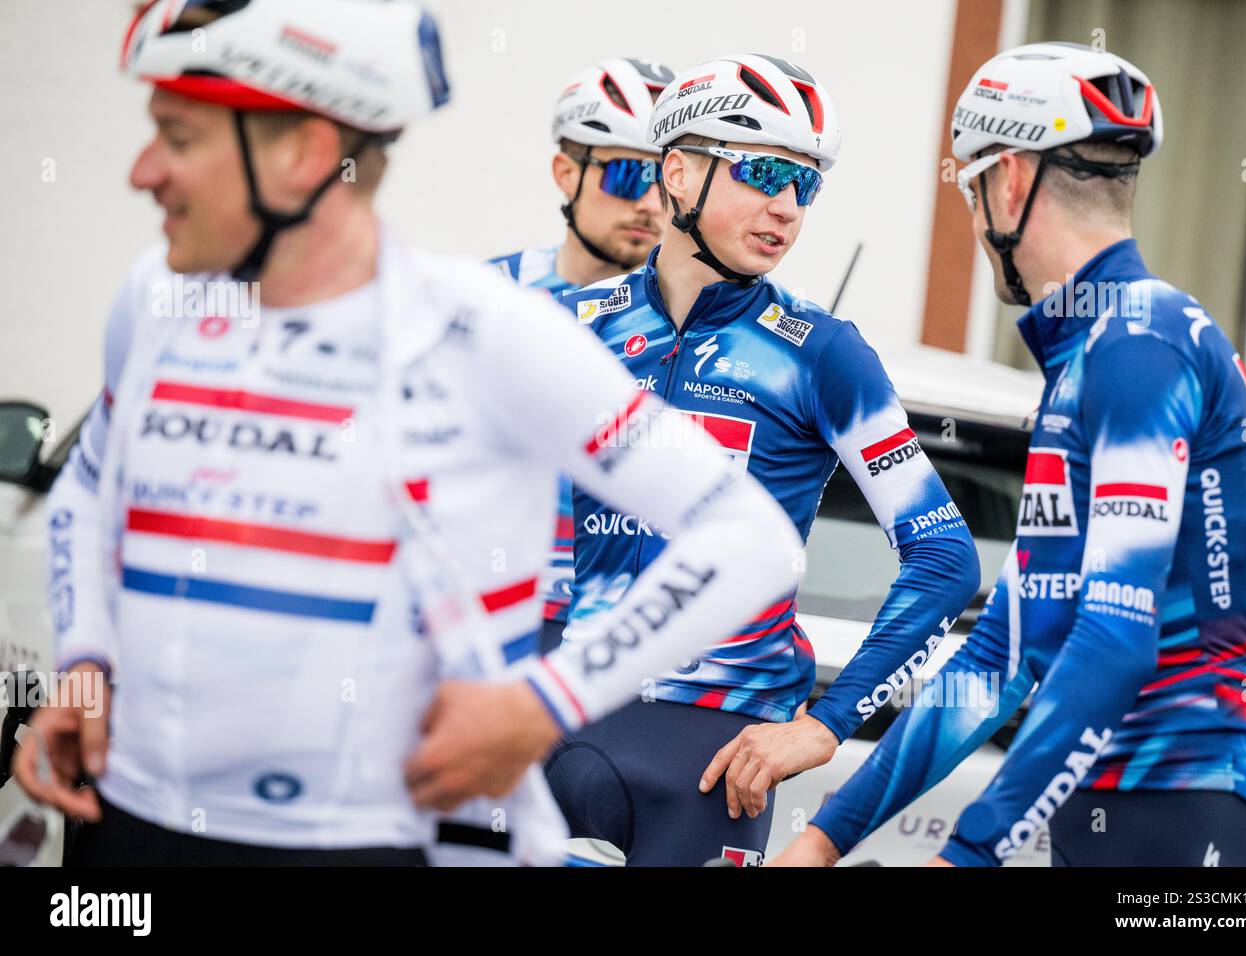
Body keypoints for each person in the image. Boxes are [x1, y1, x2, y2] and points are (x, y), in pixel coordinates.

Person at [13, 0, 802, 867]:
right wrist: (85, 654)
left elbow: (749, 540)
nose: (142, 171)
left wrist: (546, 702)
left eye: (179, 136)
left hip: (363, 845)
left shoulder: (487, 331)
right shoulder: (154, 299)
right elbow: (88, 490)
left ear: (307, 156)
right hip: (132, 823)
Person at [771, 41, 1246, 868]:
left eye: (974, 187)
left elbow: (1115, 640)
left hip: (1191, 799)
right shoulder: (1097, 356)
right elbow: (1005, 649)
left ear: (1009, 181)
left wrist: (970, 852)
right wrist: (824, 836)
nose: (979, 225)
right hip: (1133, 806)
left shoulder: (1137, 348)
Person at [544, 54, 981, 866]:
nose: (785, 207)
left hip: (711, 764)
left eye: (804, 185)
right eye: (764, 172)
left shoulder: (822, 354)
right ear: (677, 173)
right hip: (556, 735)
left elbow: (946, 559)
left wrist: (824, 724)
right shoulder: (565, 327)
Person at [488, 57, 674, 651]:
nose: (649, 204)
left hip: (626, 632)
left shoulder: (705, 322)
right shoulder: (487, 297)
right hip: (498, 609)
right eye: (625, 176)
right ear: (565, 173)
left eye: (666, 182)